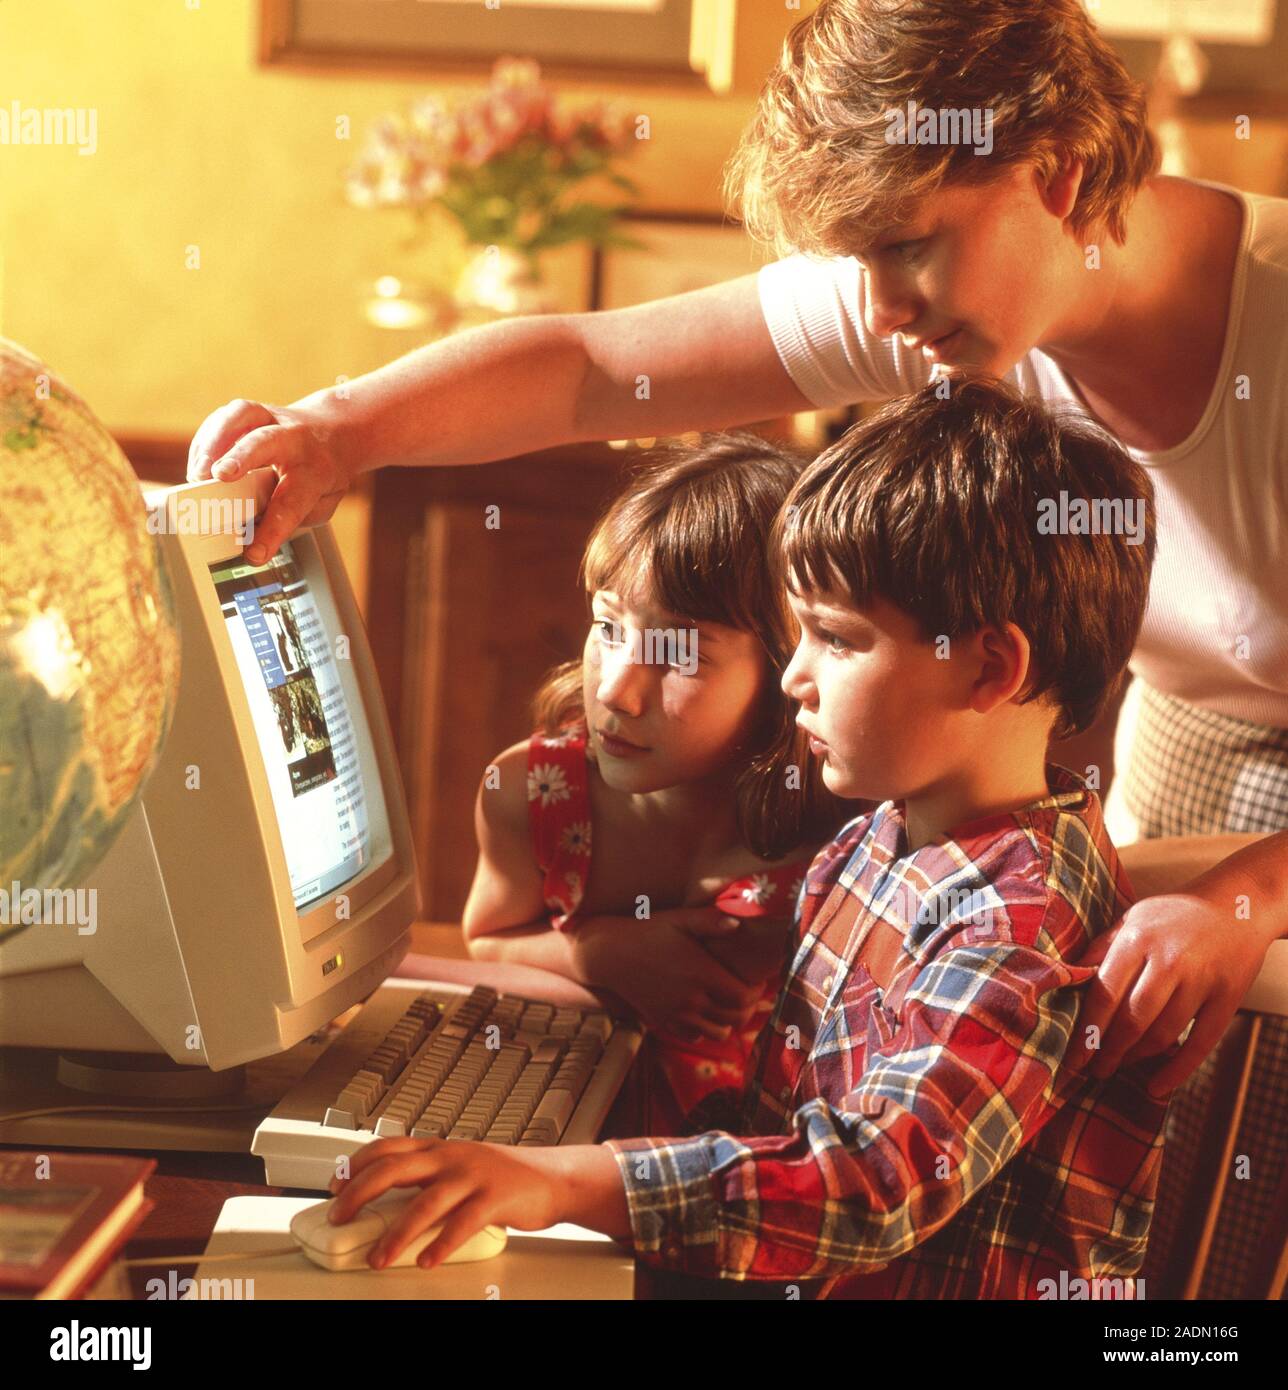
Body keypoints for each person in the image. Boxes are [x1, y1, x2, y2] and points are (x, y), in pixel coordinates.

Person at [189, 0, 1288, 1295]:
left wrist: (1243, 903)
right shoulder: (949, 279)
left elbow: (878, 1171)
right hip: (1198, 714)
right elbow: (596, 365)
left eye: (906, 249)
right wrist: (332, 433)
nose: (879, 310)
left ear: (1051, 168)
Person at [321, 377, 1168, 1297]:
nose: (793, 678)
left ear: (990, 668)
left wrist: (560, 1180)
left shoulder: (1018, 916)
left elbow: (874, 1186)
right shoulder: (884, 836)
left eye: (835, 641)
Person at [458, 432, 845, 1134]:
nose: (616, 690)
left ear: (789, 667)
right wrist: (603, 951)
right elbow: (488, 941)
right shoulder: (533, 795)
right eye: (608, 627)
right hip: (559, 1129)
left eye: (681, 653)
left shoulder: (845, 824)